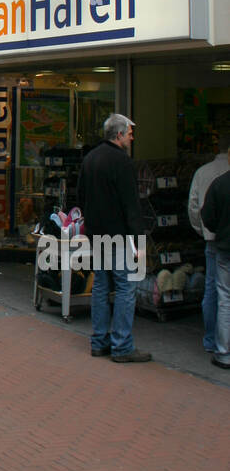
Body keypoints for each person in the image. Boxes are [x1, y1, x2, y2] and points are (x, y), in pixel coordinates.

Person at [76, 113, 150, 364]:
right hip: (118, 236)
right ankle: (122, 345)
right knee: (126, 288)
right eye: (129, 131)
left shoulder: (90, 158)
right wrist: (139, 241)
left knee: (100, 286)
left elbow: (81, 196)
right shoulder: (123, 162)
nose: (132, 136)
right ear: (119, 135)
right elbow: (131, 204)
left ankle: (99, 341)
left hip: (97, 234)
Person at [188, 143, 230, 355]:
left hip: (215, 241)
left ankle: (215, 341)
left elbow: (195, 208)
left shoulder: (204, 173)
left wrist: (203, 231)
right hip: (221, 239)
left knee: (217, 292)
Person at [201, 164, 230, 370]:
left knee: (225, 298)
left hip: (225, 247)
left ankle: (224, 352)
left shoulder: (220, 184)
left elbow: (207, 216)